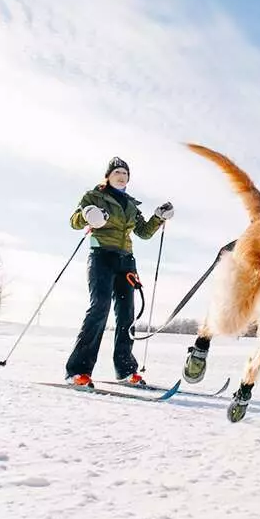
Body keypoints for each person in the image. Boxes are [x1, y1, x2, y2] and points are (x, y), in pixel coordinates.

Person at [65, 156, 174, 388]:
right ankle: (77, 371)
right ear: (108, 176)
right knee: (100, 307)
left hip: (126, 262)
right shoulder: (94, 196)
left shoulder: (131, 205)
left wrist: (157, 217)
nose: (121, 176)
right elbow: (74, 221)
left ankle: (125, 370)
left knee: (127, 314)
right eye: (117, 173)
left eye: (125, 174)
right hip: (101, 256)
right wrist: (87, 215)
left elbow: (143, 233)